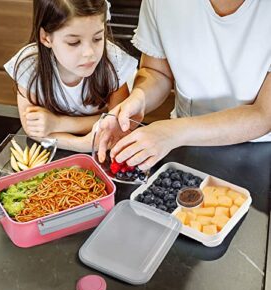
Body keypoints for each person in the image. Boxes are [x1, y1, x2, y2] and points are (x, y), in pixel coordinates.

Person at [97, 0, 271, 170]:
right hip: (181, 143)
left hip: (258, 149)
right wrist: (139, 99)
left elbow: (264, 114)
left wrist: (170, 132)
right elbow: (157, 72)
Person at [4, 0, 137, 152]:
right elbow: (33, 129)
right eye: (74, 42)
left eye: (98, 38)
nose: (89, 53)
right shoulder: (29, 66)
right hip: (60, 149)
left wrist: (57, 124)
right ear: (46, 37)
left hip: (103, 148)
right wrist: (81, 144)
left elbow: (118, 124)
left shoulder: (114, 62)